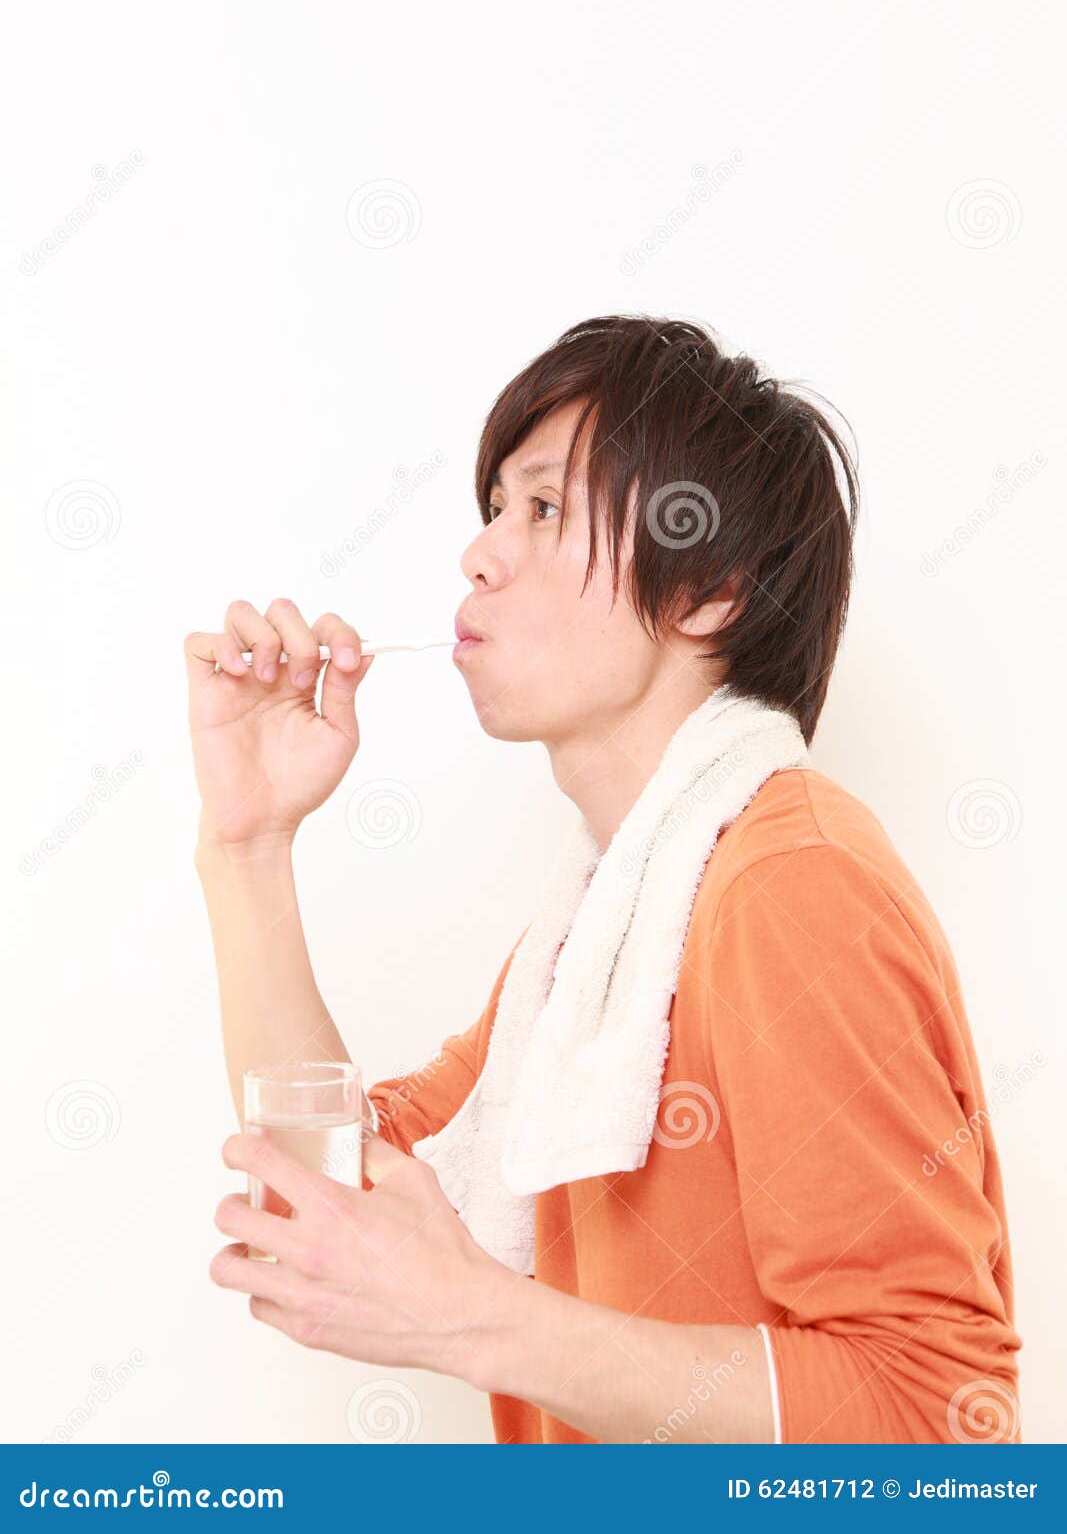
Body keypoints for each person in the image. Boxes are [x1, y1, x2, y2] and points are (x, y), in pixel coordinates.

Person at [188, 314, 1021, 1444]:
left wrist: (477, 1321)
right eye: (491, 512)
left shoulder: (789, 884)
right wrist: (246, 847)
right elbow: (324, 1196)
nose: (478, 554)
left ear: (708, 586)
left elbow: (938, 1416)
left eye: (540, 507)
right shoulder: (594, 944)